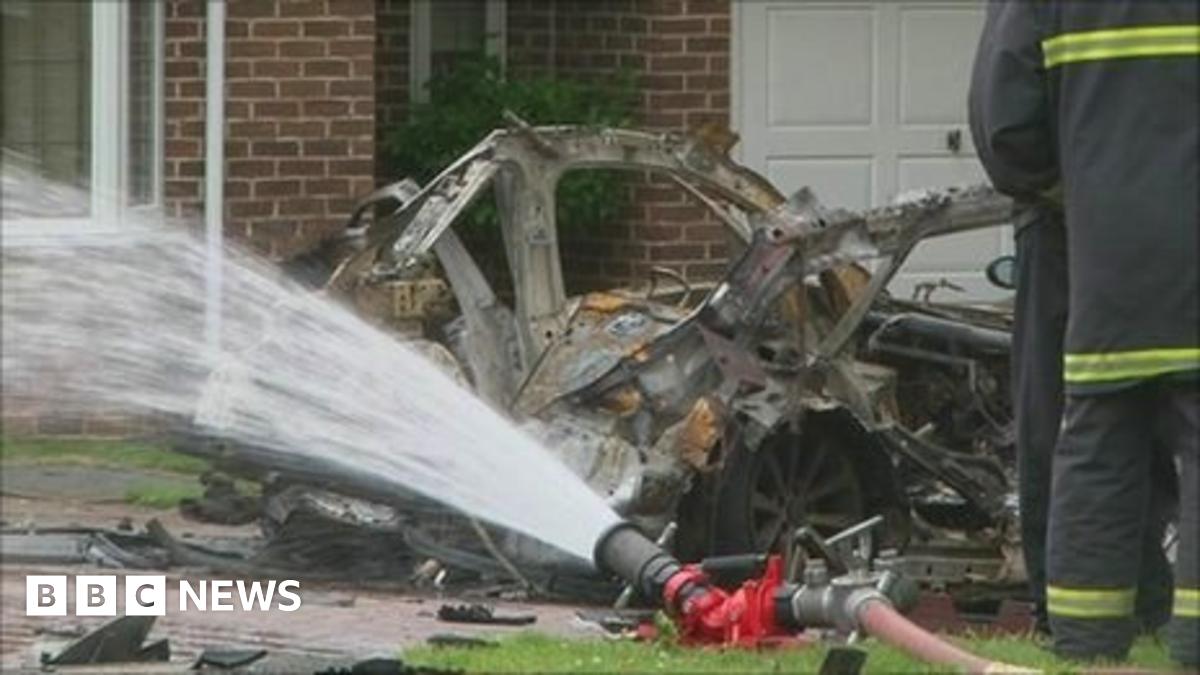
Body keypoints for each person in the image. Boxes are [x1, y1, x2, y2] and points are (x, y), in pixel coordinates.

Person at [966, 0, 1198, 664]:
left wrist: (1091, 188)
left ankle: (1089, 647)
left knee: (1097, 437)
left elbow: (1006, 126)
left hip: (1100, 254)